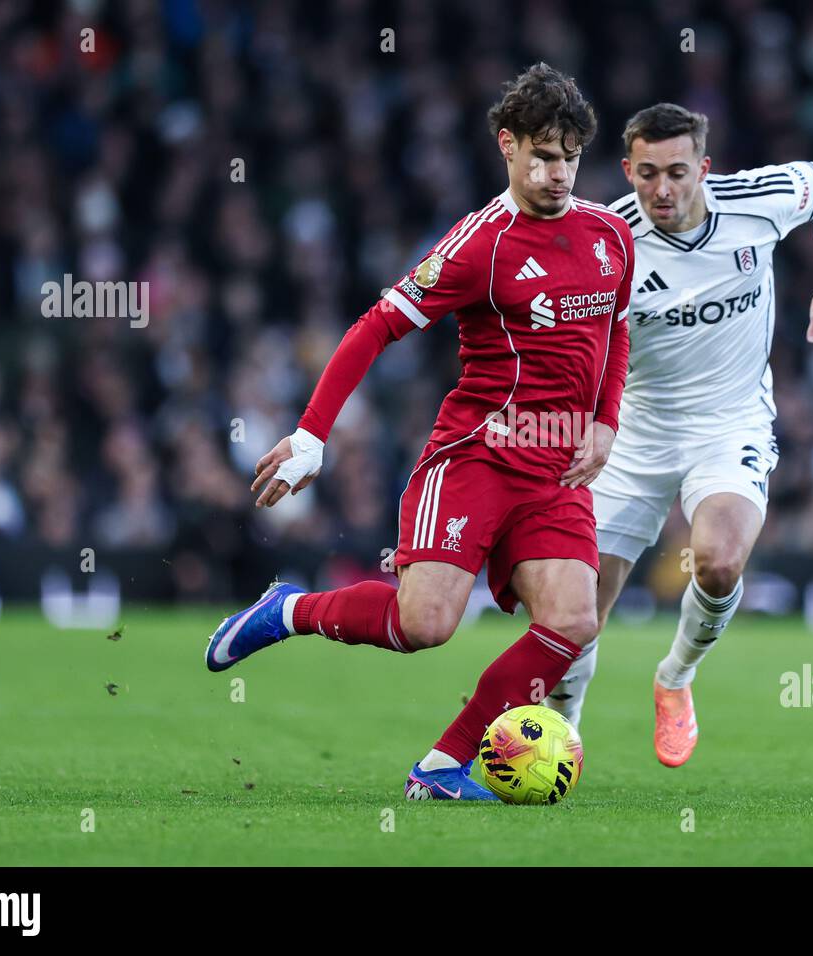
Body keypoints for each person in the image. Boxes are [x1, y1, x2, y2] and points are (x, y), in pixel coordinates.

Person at [203, 63, 634, 800]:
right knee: (426, 624)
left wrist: (605, 421)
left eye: (569, 157)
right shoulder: (480, 244)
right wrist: (312, 435)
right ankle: (289, 610)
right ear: (507, 145)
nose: (558, 172)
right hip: (478, 458)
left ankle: (442, 766)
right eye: (543, 155)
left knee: (572, 621)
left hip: (558, 469)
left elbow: (618, 330)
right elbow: (376, 327)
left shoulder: (610, 236)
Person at [545, 103, 813, 766]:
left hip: (729, 421)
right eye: (647, 173)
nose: (662, 189)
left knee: (718, 560)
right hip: (633, 433)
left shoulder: (758, 201)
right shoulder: (605, 240)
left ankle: (675, 677)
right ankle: (561, 730)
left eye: (677, 173)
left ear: (703, 169)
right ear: (627, 170)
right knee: (575, 610)